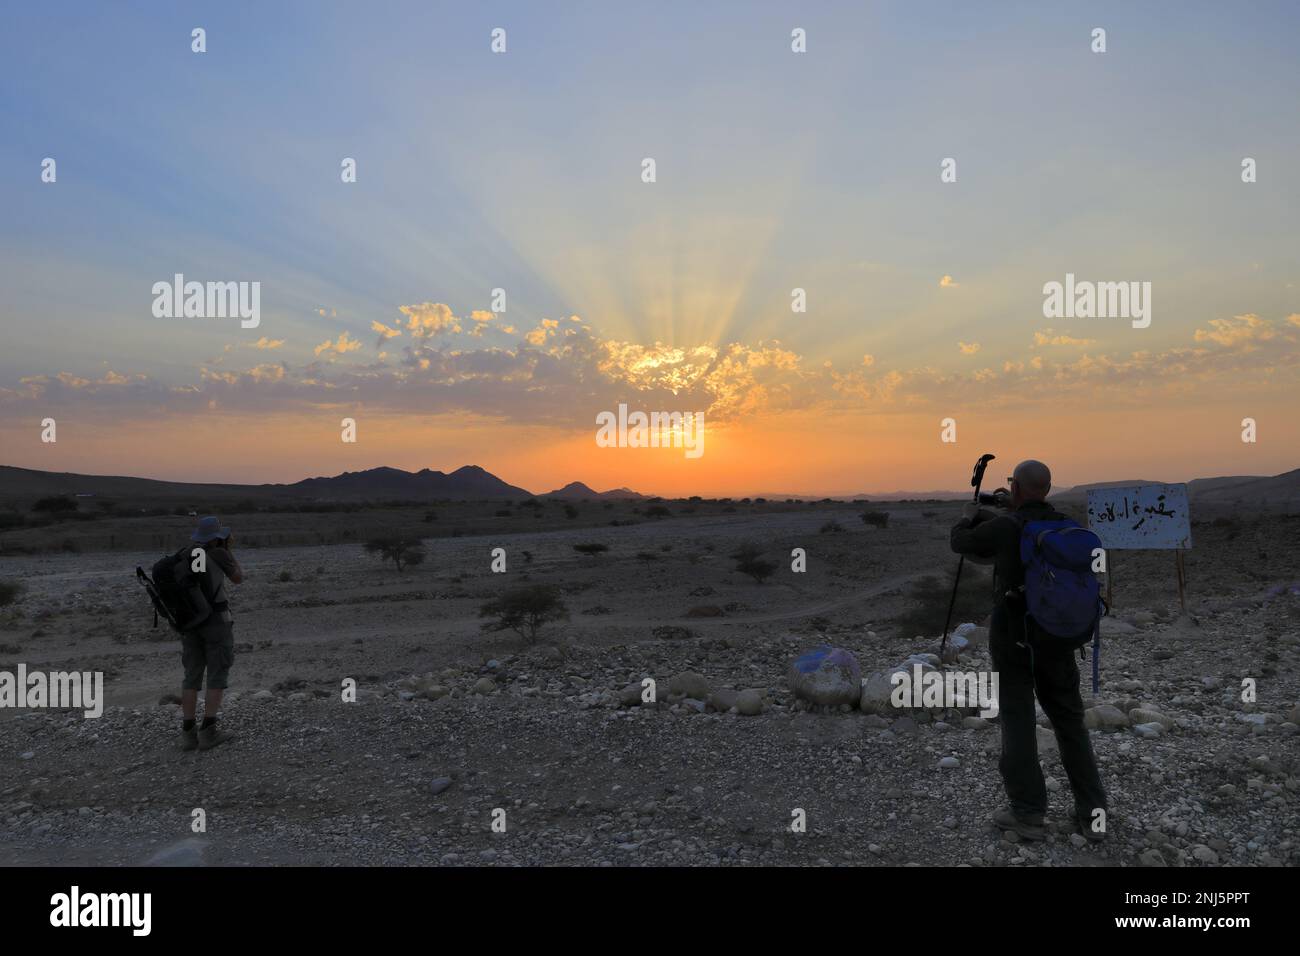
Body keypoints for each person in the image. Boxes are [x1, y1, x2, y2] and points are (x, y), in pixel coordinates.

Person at [949, 459, 1107, 841]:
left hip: (1016, 640)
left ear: (1016, 489)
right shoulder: (1065, 525)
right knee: (1070, 724)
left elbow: (963, 544)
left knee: (1019, 724)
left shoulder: (1007, 527)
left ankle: (1028, 813)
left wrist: (968, 516)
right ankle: (1093, 815)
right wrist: (1009, 508)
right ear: (1047, 490)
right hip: (1061, 639)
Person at [179, 516, 243, 751]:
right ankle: (208, 731)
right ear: (217, 537)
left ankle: (187, 733)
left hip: (189, 622)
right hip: (216, 621)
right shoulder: (219, 553)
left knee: (191, 676)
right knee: (217, 674)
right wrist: (228, 551)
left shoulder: (185, 553)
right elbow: (238, 578)